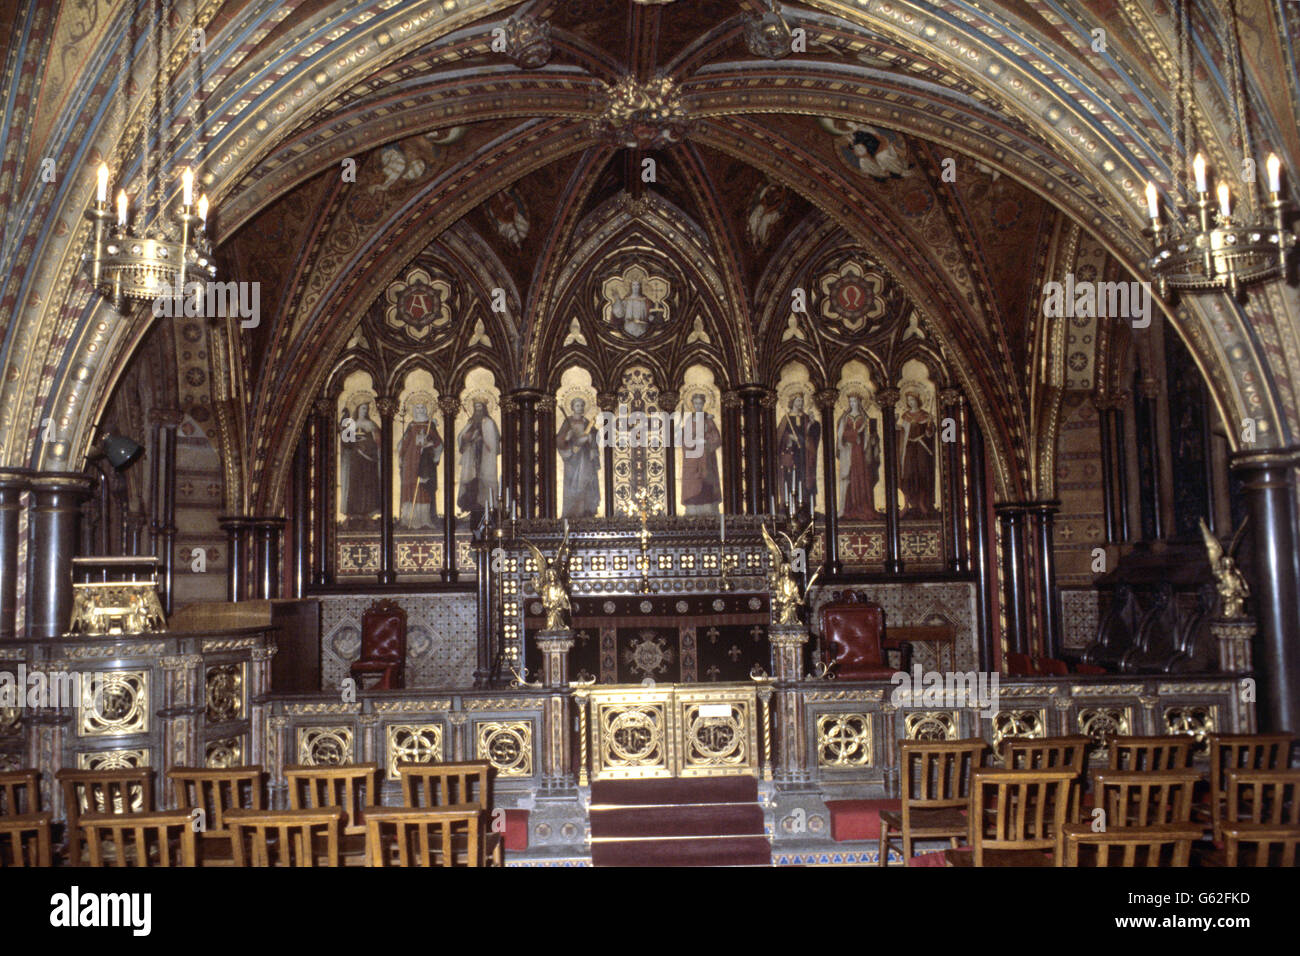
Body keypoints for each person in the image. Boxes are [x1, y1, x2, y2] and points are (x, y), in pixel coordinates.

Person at [398, 403, 442, 528]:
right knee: (411, 486)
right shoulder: (411, 425)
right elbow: (404, 442)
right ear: (414, 410)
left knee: (423, 487)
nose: (420, 409)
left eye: (422, 407)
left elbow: (438, 443)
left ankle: (424, 518)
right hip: (410, 460)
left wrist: (429, 445)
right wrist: (401, 457)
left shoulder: (430, 425)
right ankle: (408, 518)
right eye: (417, 407)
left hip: (425, 462)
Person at [837, 393, 880, 519]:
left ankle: (864, 505)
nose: (852, 404)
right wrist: (857, 432)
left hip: (863, 452)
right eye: (850, 402)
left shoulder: (865, 418)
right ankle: (851, 506)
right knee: (851, 476)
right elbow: (842, 435)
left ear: (859, 402)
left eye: (854, 401)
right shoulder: (845, 418)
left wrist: (871, 437)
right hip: (851, 451)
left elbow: (873, 436)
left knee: (863, 476)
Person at [557, 396, 601, 517]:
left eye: (582, 405)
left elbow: (593, 437)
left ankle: (587, 511)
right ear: (572, 408)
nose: (580, 408)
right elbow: (560, 439)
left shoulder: (587, 422)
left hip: (585, 456)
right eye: (577, 405)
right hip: (573, 458)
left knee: (587, 481)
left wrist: (592, 446)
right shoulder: (568, 422)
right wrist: (567, 437)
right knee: (574, 485)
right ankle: (573, 512)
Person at [679, 392, 722, 514]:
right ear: (692, 404)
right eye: (695, 403)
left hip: (706, 457)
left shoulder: (709, 421)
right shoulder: (689, 420)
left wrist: (706, 441)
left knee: (706, 480)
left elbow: (717, 438)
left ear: (703, 404)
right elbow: (684, 439)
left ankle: (708, 506)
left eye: (700, 404)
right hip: (693, 459)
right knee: (693, 482)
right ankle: (692, 507)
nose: (698, 406)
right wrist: (693, 441)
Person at [775, 393, 820, 511]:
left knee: (804, 478)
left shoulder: (806, 418)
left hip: (804, 455)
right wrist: (788, 437)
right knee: (790, 477)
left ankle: (805, 504)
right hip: (791, 454)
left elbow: (812, 435)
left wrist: (811, 424)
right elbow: (778, 437)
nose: (800, 403)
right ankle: (789, 503)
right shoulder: (787, 418)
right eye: (798, 401)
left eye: (801, 401)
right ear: (792, 402)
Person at [897, 390, 936, 516]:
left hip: (921, 449)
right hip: (909, 448)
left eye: (912, 399)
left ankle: (921, 502)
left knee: (922, 473)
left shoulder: (926, 416)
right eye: (908, 400)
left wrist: (930, 431)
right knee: (907, 474)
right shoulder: (906, 416)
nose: (910, 402)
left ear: (917, 401)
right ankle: (906, 503)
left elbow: (931, 433)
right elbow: (902, 431)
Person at [457, 400, 499, 514]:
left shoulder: (489, 422)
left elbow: (492, 443)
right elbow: (461, 437)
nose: (478, 410)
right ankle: (472, 509)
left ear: (484, 408)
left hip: (485, 457)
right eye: (476, 407)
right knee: (472, 482)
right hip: (472, 456)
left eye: (480, 407)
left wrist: (482, 438)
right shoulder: (471, 422)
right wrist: (470, 436)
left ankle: (488, 509)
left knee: (485, 481)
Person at [343, 402, 382, 521]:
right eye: (363, 408)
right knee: (356, 483)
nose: (365, 411)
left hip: (369, 459)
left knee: (368, 483)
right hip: (356, 458)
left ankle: (368, 512)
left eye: (367, 409)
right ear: (358, 409)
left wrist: (370, 440)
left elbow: (379, 442)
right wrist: (354, 439)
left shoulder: (371, 424)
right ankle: (354, 512)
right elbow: (346, 442)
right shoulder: (351, 424)